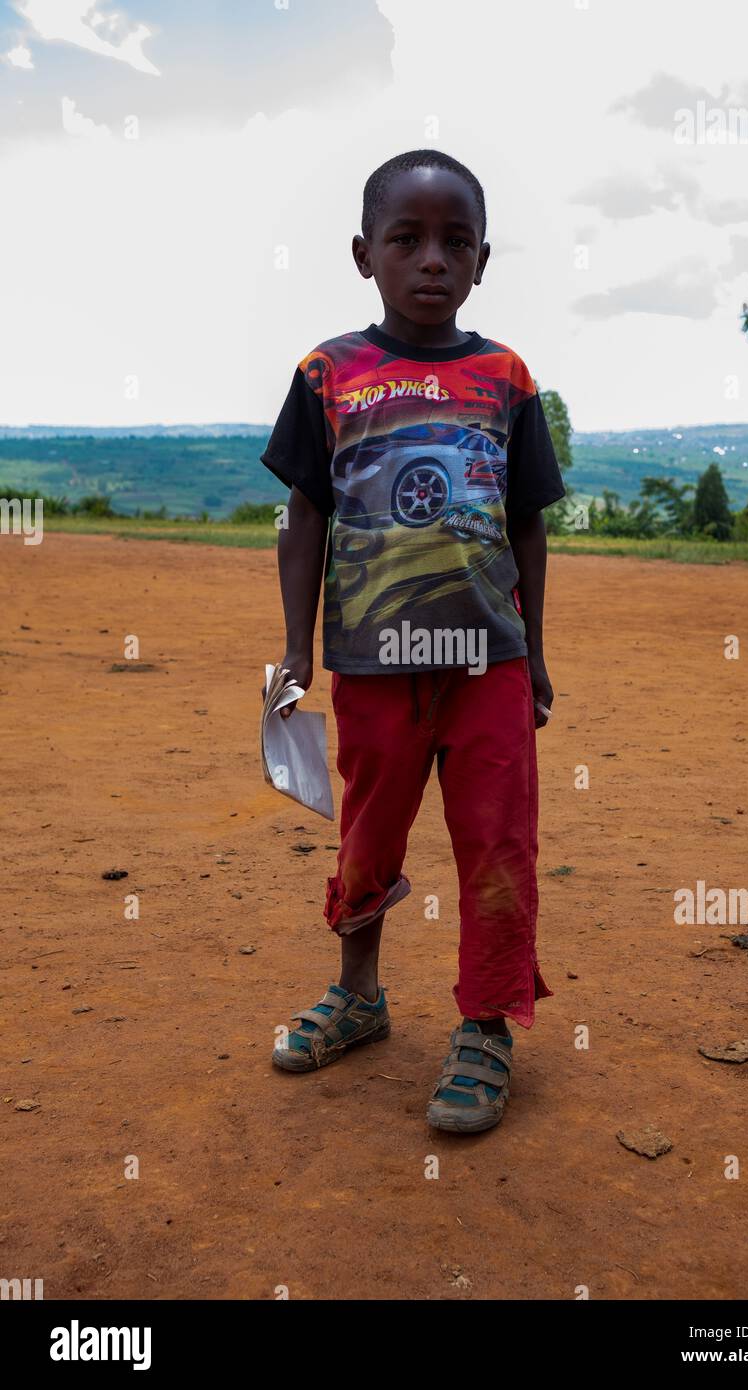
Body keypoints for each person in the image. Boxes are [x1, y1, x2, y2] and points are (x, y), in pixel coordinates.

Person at [261, 149, 565, 1133]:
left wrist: (537, 656)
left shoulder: (504, 378)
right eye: (407, 239)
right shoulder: (327, 373)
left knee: (496, 844)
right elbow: (303, 516)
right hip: (371, 667)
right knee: (366, 836)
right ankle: (359, 994)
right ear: (364, 254)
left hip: (488, 665)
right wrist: (295, 655)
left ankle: (485, 1025)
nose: (431, 259)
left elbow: (526, 523)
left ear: (481, 260)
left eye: (455, 241)